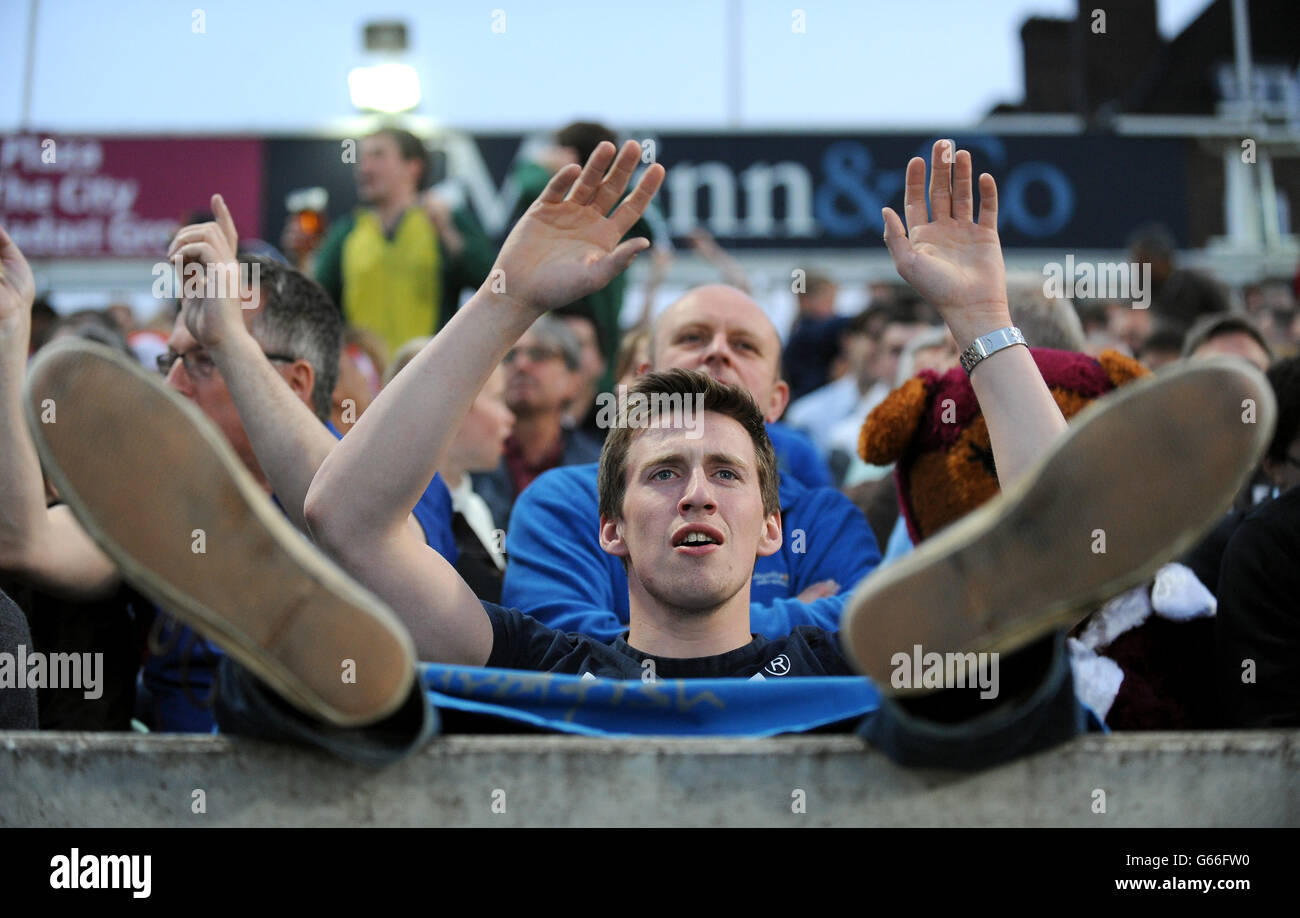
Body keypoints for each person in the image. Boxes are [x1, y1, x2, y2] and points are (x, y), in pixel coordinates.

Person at [24, 141, 1270, 771]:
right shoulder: (547, 649)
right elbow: (349, 521)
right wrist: (505, 297)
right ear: (606, 529)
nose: (694, 492)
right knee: (361, 688)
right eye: (662, 474)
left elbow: (1049, 533)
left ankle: (976, 665)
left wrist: (985, 325)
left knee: (978, 679)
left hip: (869, 715)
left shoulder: (840, 634)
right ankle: (312, 673)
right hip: (510, 732)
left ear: (777, 530)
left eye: (727, 475)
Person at [0, 198, 455, 731]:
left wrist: (228, 336)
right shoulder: (159, 488)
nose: (171, 386)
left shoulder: (390, 473)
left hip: (344, 781)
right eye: (170, 361)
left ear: (294, 383)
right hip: (161, 797)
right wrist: (11, 330)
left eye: (204, 361)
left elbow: (400, 584)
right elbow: (23, 542)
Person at [502, 281, 871, 642]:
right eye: (692, 338)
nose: (717, 352)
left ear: (777, 400)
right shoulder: (562, 501)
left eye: (744, 345)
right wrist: (792, 619)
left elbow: (867, 627)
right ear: (643, 382)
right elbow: (557, 644)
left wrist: (642, 631)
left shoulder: (826, 518)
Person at [311, 127, 496, 358]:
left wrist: (448, 233)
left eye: (378, 156)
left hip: (430, 371)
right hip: (366, 380)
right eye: (362, 158)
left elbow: (492, 284)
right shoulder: (346, 232)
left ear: (413, 167)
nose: (364, 168)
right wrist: (303, 258)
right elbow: (315, 303)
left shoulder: (445, 220)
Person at [472, 315, 604, 527]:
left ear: (574, 381)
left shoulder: (598, 468)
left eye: (539, 354)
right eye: (510, 356)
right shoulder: (469, 460)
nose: (521, 365)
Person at [438, 366, 515, 603]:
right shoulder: (405, 513)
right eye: (498, 398)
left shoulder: (475, 507)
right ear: (458, 403)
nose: (510, 417)